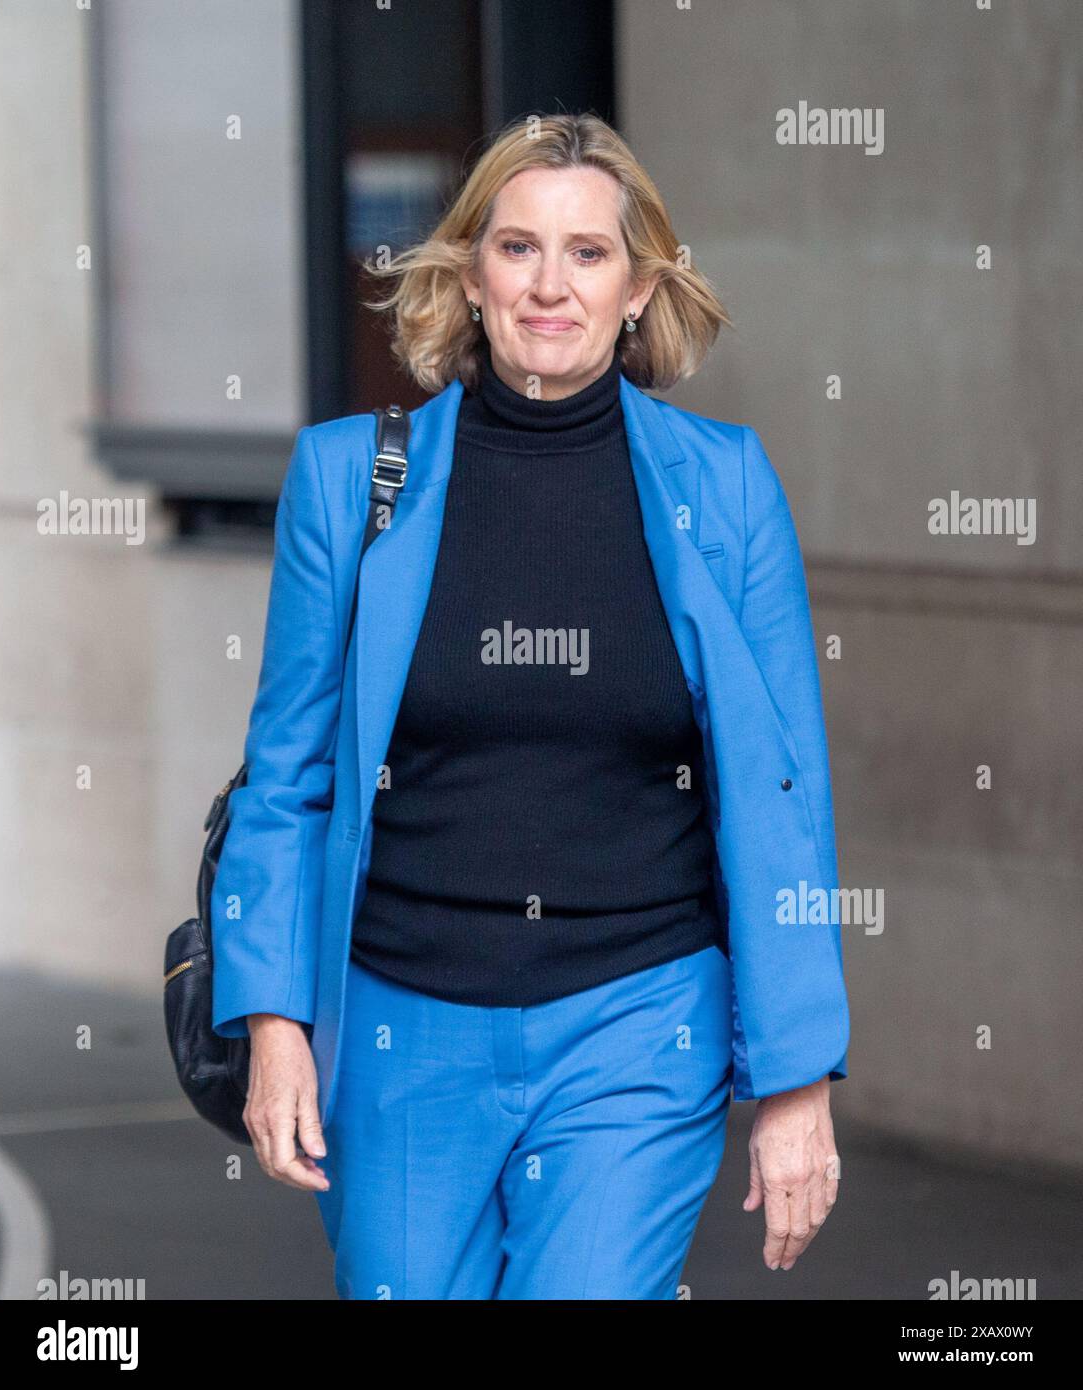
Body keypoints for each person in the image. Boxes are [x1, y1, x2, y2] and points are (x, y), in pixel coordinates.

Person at [211, 112, 850, 1300]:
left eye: (588, 253)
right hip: (401, 1034)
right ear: (470, 272)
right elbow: (284, 776)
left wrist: (797, 1079)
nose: (549, 285)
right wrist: (272, 1020)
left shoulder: (726, 488)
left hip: (639, 1023)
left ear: (640, 286)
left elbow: (782, 799)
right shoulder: (352, 481)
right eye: (516, 248)